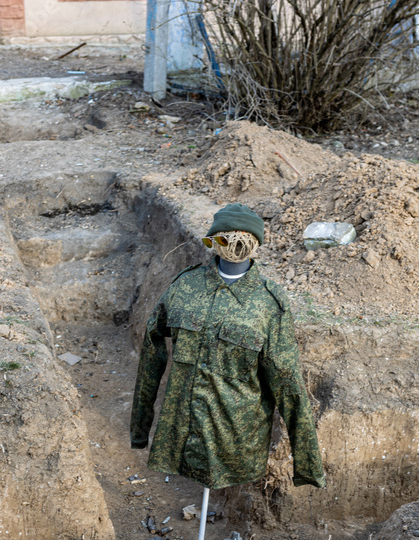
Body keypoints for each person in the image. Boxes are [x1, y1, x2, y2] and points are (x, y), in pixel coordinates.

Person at [130, 203, 325, 492]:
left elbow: (288, 383)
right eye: (224, 238)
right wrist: (140, 428)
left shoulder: (268, 303)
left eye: (241, 239)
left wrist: (308, 465)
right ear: (213, 240)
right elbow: (150, 352)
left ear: (255, 243)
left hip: (234, 444)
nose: (233, 245)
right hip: (181, 433)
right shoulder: (185, 286)